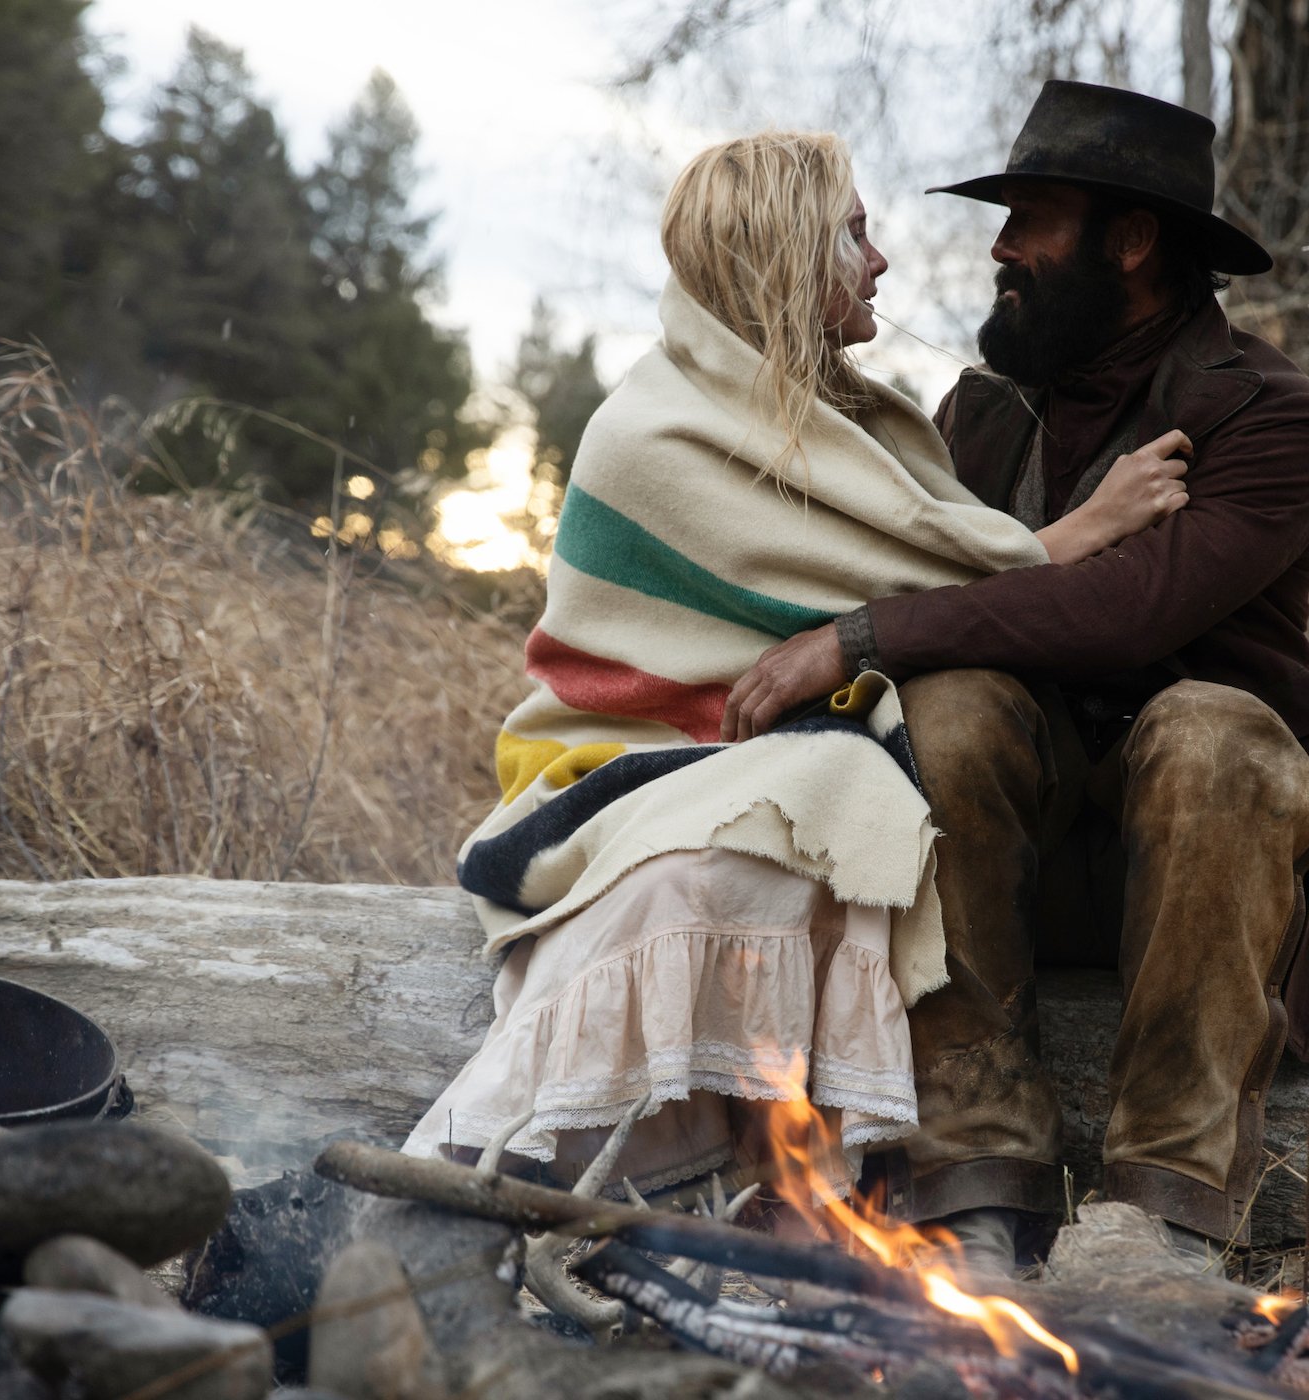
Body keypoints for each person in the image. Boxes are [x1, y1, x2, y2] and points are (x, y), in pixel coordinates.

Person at [403, 130, 1191, 1199]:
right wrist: (1078, 532)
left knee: (851, 780)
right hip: (618, 758)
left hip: (758, 745)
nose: (881, 263)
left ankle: (807, 1176)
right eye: (854, 235)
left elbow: (907, 580)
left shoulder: (845, 415)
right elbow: (931, 584)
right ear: (785, 256)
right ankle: (617, 1157)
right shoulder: (662, 429)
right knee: (834, 788)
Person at [721, 81, 1309, 1271]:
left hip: (1213, 864)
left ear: (1131, 243)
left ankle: (1160, 1218)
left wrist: (863, 638)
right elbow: (927, 592)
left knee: (1210, 726)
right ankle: (977, 1181)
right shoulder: (978, 411)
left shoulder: (1275, 417)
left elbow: (1135, 609)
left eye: (1034, 219)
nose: (1001, 247)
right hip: (1017, 861)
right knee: (951, 706)